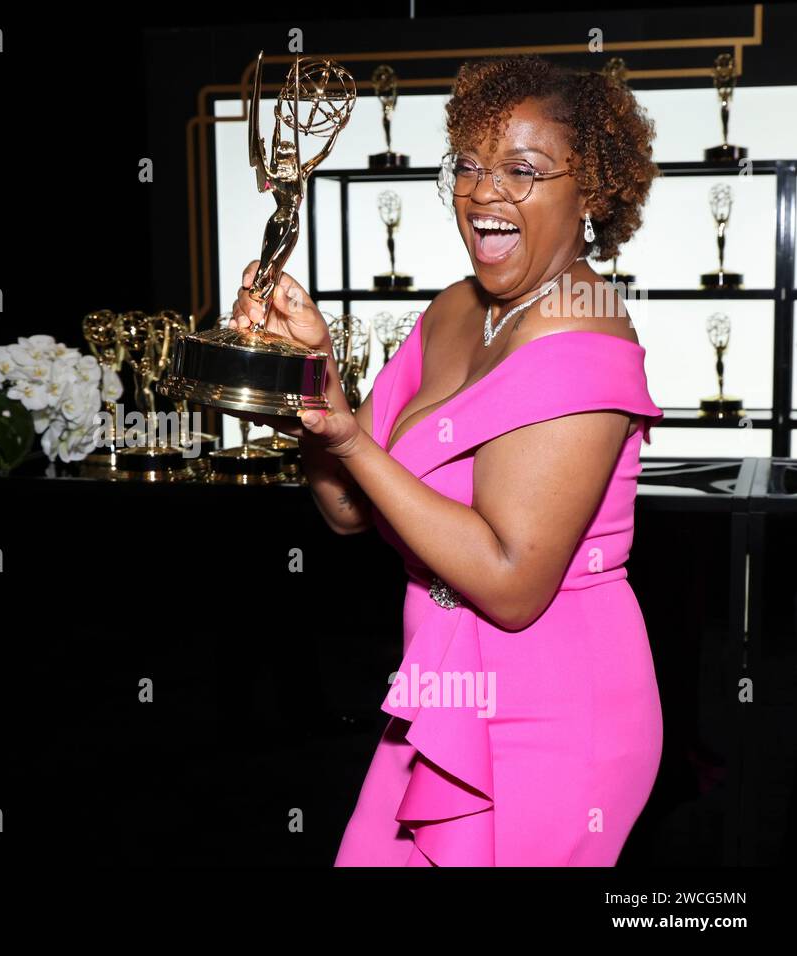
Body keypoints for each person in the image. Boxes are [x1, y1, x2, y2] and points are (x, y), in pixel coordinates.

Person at [229, 55, 663, 866]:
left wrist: (351, 435)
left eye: (523, 170)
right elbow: (349, 510)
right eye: (468, 164)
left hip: (556, 711)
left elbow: (510, 583)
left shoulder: (586, 331)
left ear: (594, 193)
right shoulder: (456, 307)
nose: (483, 192)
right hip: (438, 691)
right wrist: (310, 383)